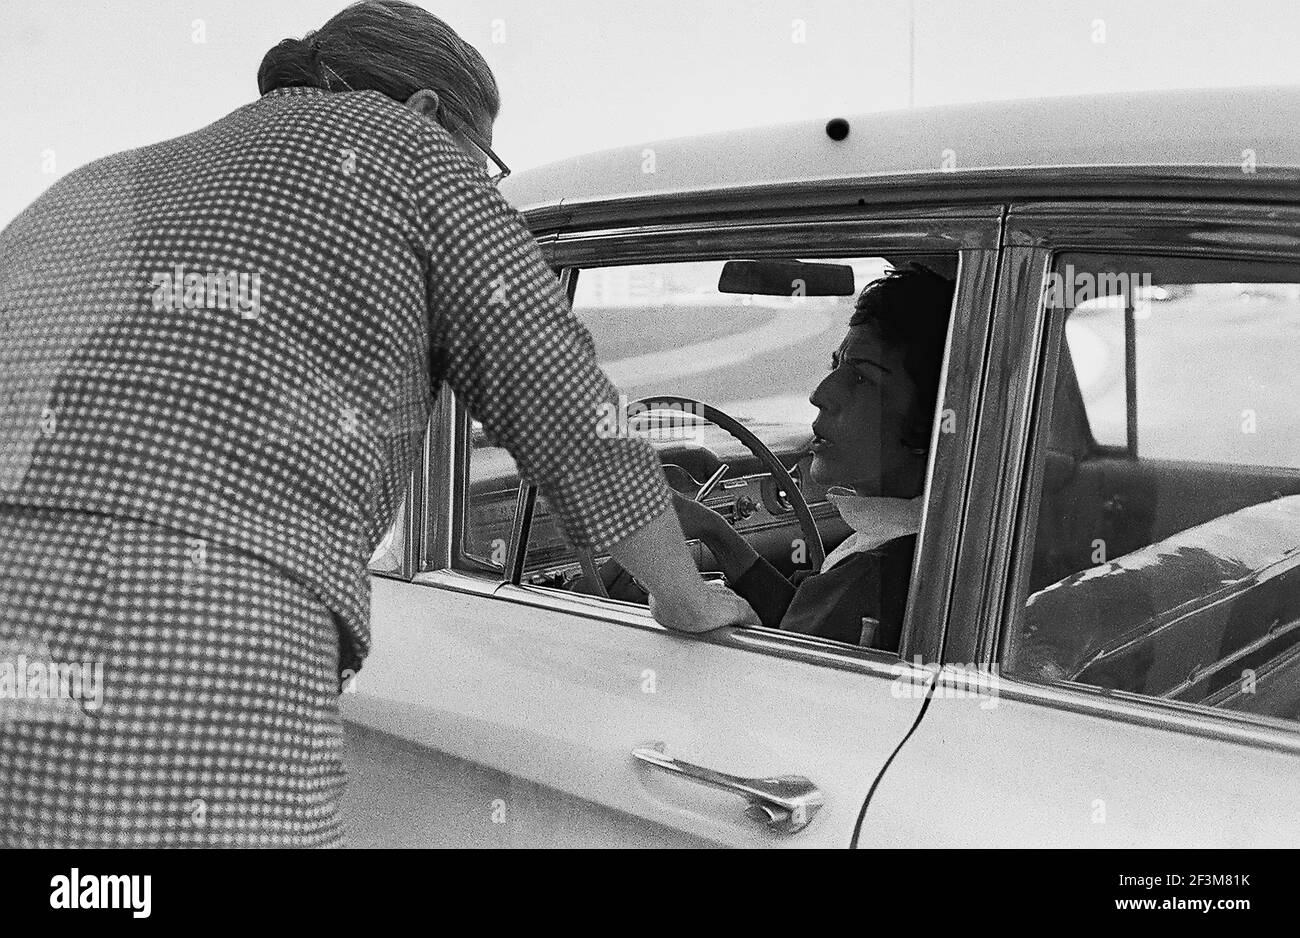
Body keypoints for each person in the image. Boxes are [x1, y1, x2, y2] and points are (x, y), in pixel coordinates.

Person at [0, 0, 754, 848]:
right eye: (485, 163)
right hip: (182, 626)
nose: (483, 185)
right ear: (427, 110)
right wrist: (684, 595)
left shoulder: (100, 180)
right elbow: (561, 401)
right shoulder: (408, 149)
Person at [672, 264, 954, 651]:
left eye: (862, 378)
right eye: (836, 366)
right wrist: (713, 529)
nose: (820, 394)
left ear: (930, 418)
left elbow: (778, 666)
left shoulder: (871, 577)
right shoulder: (921, 534)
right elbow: (799, 618)